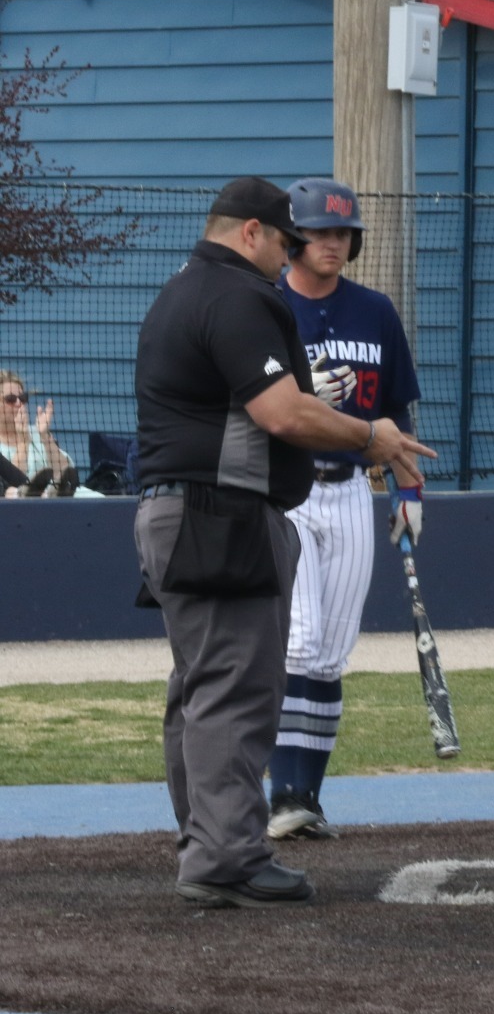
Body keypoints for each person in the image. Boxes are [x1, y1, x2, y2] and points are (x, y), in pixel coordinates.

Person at [133, 177, 433, 908]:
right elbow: (281, 412)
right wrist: (372, 434)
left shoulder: (182, 288)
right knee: (237, 691)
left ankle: (208, 843)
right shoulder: (235, 295)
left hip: (183, 513)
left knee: (202, 690)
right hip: (219, 517)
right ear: (250, 234)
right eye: (285, 241)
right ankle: (226, 856)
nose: (292, 255)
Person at [264, 178, 425, 841]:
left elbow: (400, 412)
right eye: (320, 232)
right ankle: (279, 796)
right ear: (294, 239)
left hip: (355, 488)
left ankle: (307, 795)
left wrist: (410, 493)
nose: (332, 242)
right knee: (296, 640)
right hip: (290, 490)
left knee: (330, 654)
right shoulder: (268, 305)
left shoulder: (375, 311)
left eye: (342, 233)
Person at [0, 370, 78, 496]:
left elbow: (67, 474)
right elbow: (12, 482)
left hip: (56, 500)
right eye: (11, 399)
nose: (19, 403)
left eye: (22, 398)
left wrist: (45, 437)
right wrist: (23, 443)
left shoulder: (36, 432)